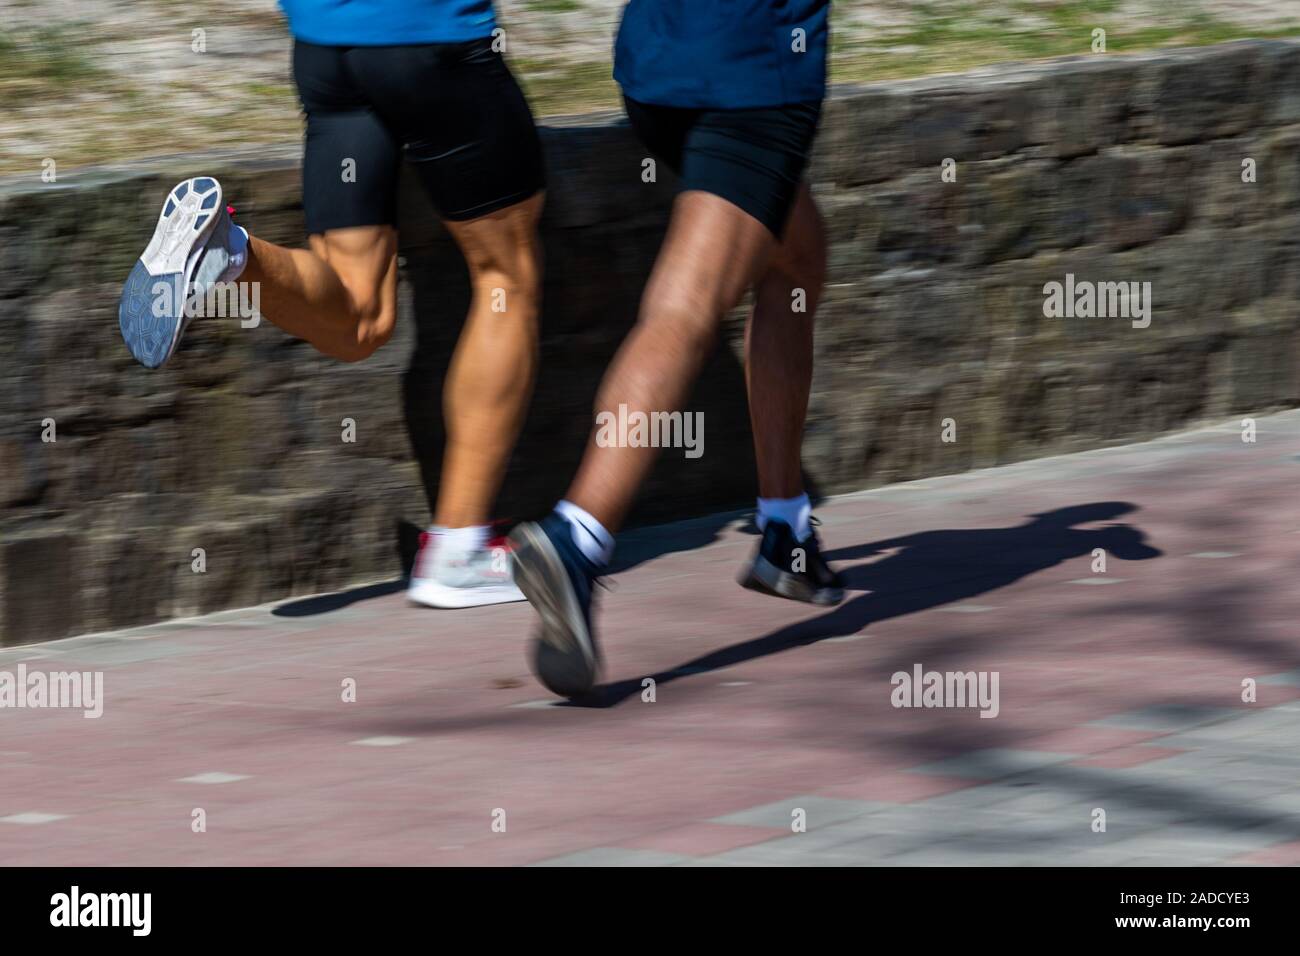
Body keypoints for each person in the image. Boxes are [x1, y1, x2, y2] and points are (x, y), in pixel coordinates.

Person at [117, 0, 544, 609]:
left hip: (327, 53)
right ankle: (460, 552)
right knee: (508, 277)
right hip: (431, 39)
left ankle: (233, 252)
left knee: (359, 318)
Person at [509, 0, 844, 696]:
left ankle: (786, 529)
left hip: (656, 69)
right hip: (753, 77)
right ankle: (581, 536)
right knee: (686, 308)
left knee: (795, 261)